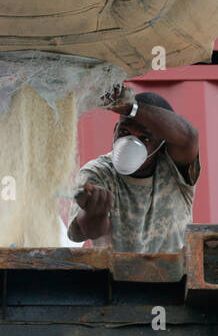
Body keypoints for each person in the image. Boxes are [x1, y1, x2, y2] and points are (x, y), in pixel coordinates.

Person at [66, 86, 200, 253]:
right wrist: (96, 213)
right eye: (124, 131)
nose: (129, 142)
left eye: (145, 138)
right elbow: (89, 232)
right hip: (117, 277)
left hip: (173, 276)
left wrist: (131, 107)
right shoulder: (98, 172)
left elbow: (190, 136)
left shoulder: (174, 169)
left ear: (161, 144)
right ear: (114, 131)